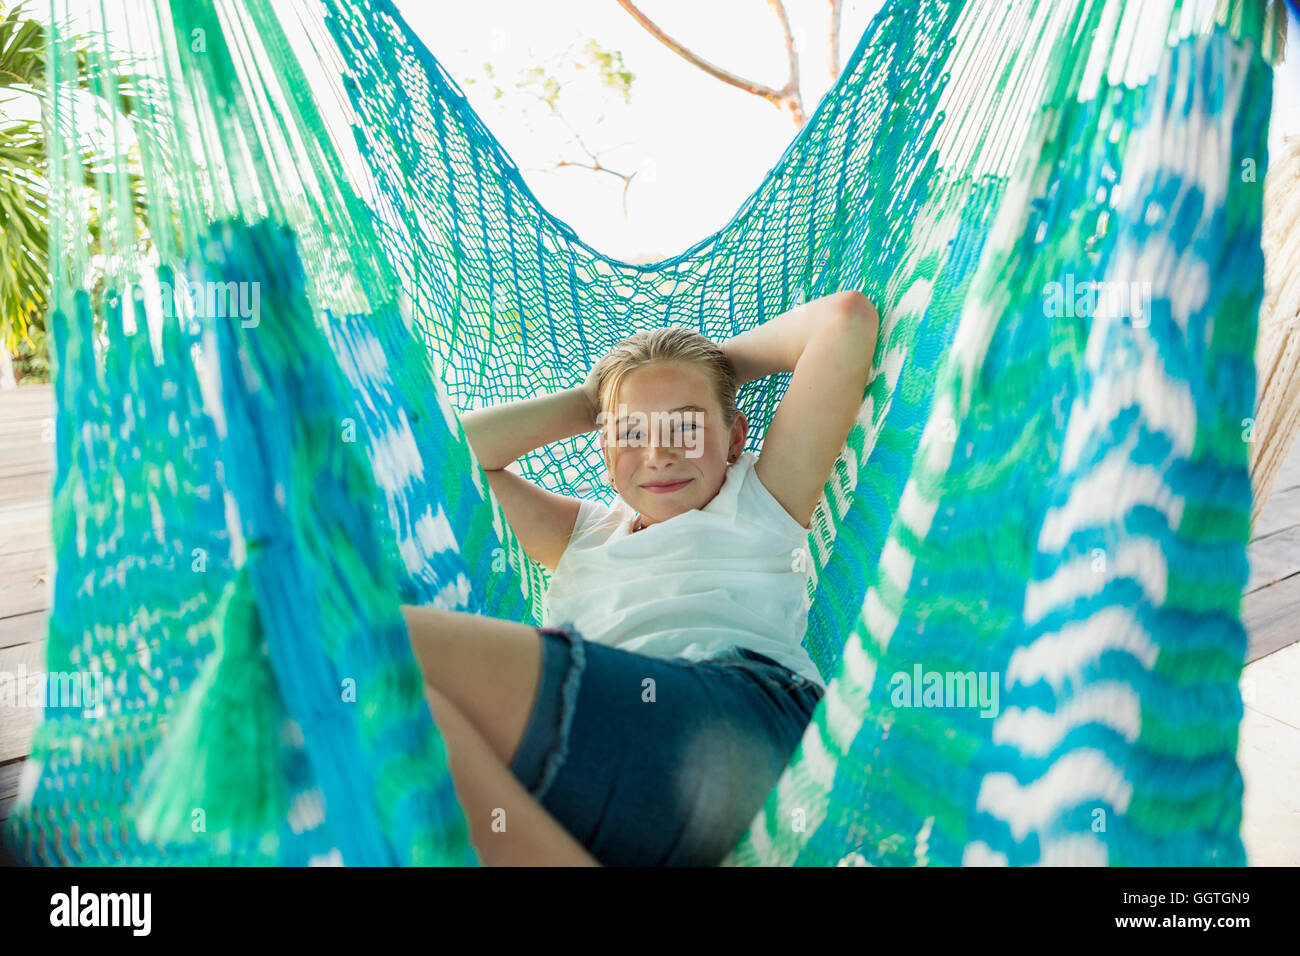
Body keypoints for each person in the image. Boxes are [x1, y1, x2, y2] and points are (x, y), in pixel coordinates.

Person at [401, 290, 878, 866]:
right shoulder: (580, 534)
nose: (658, 453)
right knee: (397, 715)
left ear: (734, 437)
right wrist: (591, 399)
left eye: (686, 427)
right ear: (603, 449)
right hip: (606, 781)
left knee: (389, 647)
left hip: (742, 724)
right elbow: (442, 456)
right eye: (630, 433)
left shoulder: (760, 498)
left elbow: (844, 322)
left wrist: (706, 368)